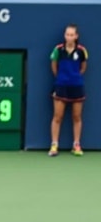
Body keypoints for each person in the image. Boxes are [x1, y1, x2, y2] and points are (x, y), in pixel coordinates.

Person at [49, 24, 87, 157]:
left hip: (77, 86)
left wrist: (74, 77)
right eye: (67, 34)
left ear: (76, 36)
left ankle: (76, 145)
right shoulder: (58, 50)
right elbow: (54, 66)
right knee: (57, 117)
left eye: (71, 35)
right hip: (61, 86)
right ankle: (54, 145)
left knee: (77, 117)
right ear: (64, 35)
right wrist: (61, 77)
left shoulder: (82, 51)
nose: (69, 37)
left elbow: (83, 68)